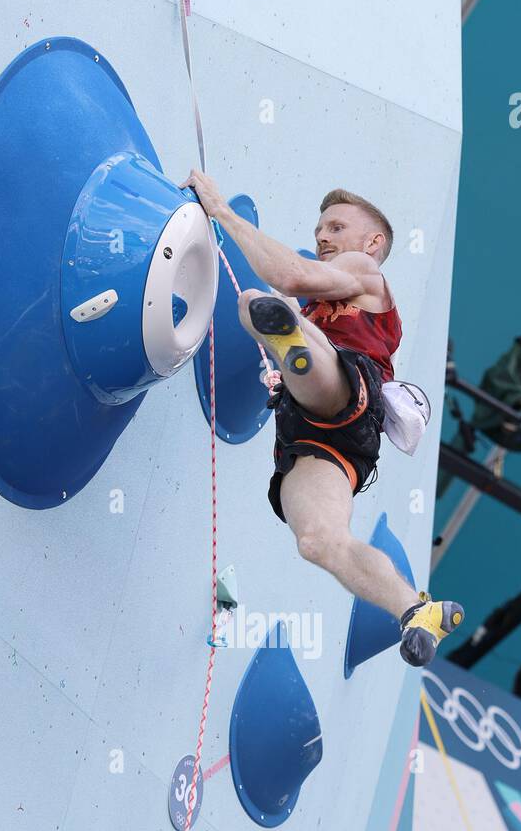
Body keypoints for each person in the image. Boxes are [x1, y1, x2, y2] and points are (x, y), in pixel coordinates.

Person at [183, 171, 464, 667]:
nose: (322, 236)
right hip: (320, 442)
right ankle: (415, 611)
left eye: (335, 226)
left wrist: (222, 213)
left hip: (349, 390)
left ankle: (293, 345)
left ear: (372, 242)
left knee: (262, 305)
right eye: (319, 230)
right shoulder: (323, 302)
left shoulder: (365, 273)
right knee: (318, 541)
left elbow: (290, 273)